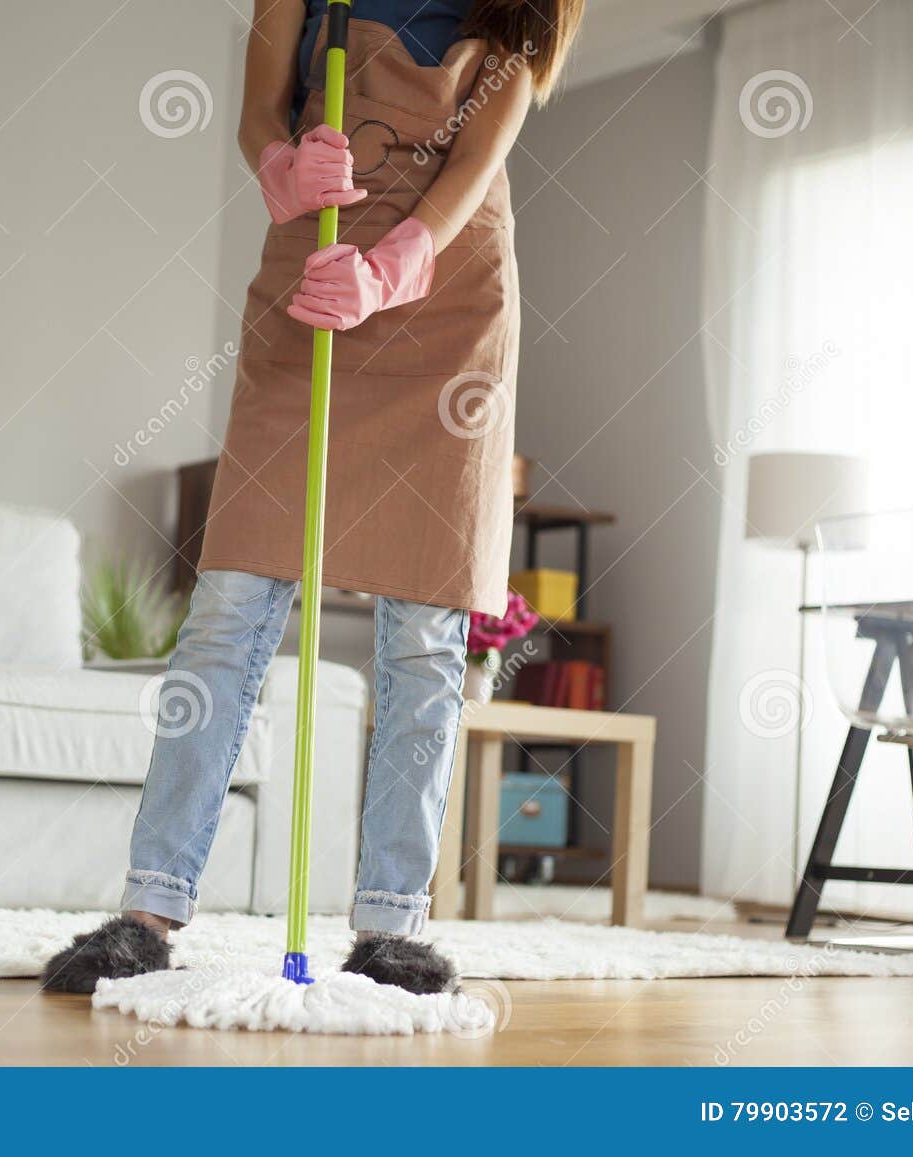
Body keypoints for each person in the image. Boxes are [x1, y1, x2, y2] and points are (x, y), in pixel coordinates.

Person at [43, 0, 585, 996]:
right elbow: (259, 110)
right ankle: (148, 910)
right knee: (230, 608)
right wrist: (279, 166)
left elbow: (469, 176)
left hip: (443, 300)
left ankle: (390, 926)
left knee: (424, 633)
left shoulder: (515, 14)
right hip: (309, 278)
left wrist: (390, 267)